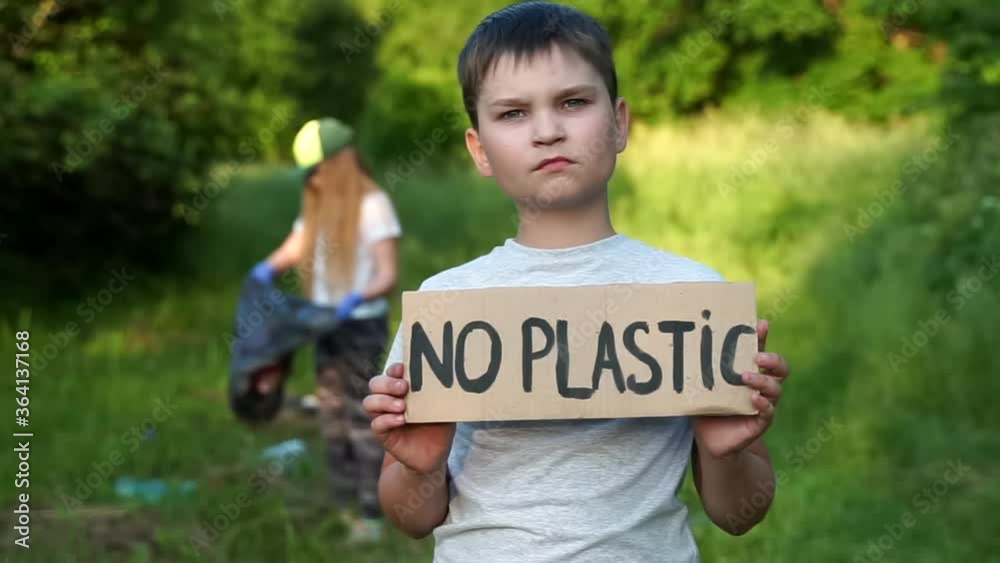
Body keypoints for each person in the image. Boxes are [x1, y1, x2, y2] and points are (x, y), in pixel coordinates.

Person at [363, 2, 791, 561]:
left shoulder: (691, 296)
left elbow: (738, 515)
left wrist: (727, 452)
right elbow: (413, 517)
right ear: (479, 150)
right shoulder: (448, 306)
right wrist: (420, 465)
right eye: (513, 113)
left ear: (619, 124)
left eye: (573, 102)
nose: (547, 131)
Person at [252, 116, 402, 542]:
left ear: (338, 163)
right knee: (331, 416)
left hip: (359, 328)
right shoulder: (317, 204)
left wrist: (358, 296)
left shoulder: (373, 206)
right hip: (325, 326)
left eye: (316, 171)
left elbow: (387, 273)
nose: (311, 181)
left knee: (359, 419)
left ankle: (372, 517)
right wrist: (267, 268)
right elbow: (297, 245)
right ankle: (342, 507)